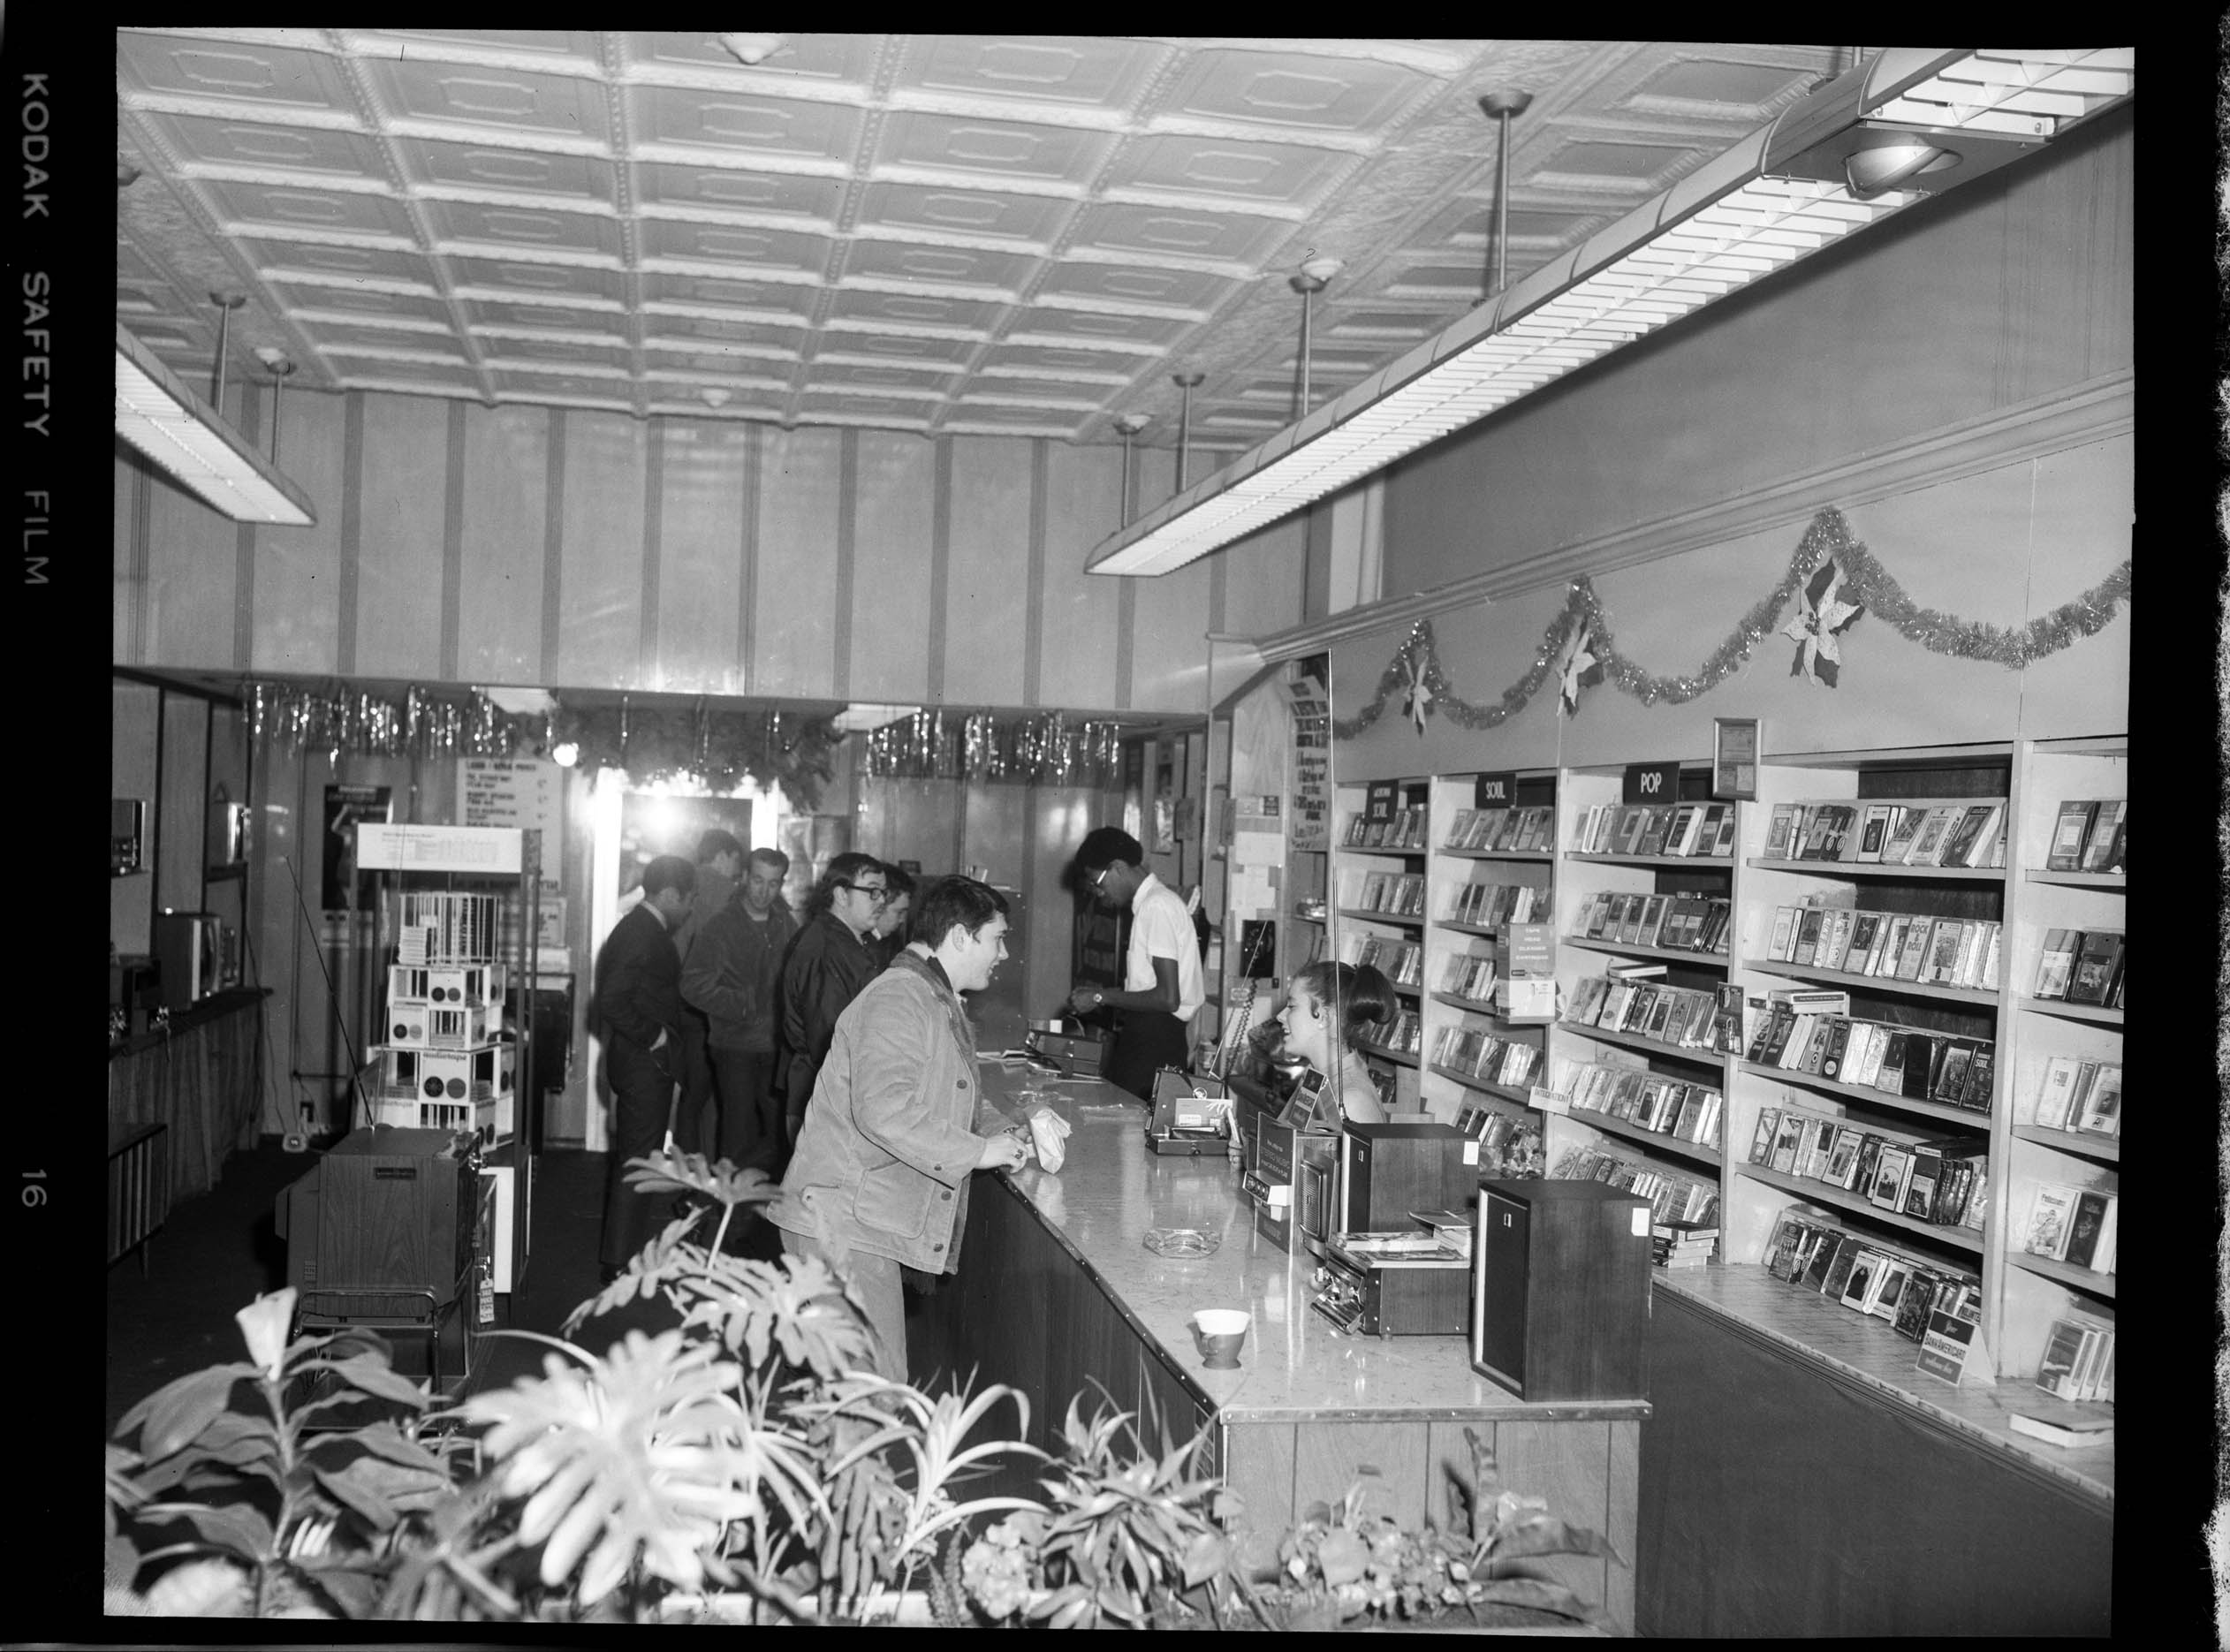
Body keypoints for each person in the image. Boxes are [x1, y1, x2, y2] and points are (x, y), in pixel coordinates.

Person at [771, 875, 1038, 1382]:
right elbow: (885, 1109)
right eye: (997, 938)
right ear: (960, 936)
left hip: (851, 1222)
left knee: (861, 1392)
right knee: (869, 1394)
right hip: (839, 1224)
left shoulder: (928, 994)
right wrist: (978, 1152)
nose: (1003, 954)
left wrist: (1011, 1130)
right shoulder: (900, 998)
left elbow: (945, 1094)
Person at [593, 854, 695, 1279]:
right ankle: (619, 1262)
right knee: (637, 1161)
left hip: (635, 1060)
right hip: (641, 1062)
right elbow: (612, 1000)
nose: (689, 908)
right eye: (688, 899)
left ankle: (625, 1254)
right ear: (670, 894)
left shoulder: (639, 926)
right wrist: (653, 1036)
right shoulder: (642, 932)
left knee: (639, 1157)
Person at [679, 846, 799, 1176]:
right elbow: (692, 985)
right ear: (745, 877)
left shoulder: (786, 924)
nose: (765, 891)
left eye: (774, 884)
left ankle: (758, 1214)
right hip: (735, 1046)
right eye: (758, 880)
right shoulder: (720, 926)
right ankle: (726, 1217)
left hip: (775, 1047)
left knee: (778, 1136)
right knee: (738, 1135)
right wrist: (743, 1005)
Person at [1065, 827, 1206, 1101]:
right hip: (1151, 1034)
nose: (1097, 892)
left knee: (1126, 1126)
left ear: (1117, 867)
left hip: (1155, 1038)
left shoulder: (1156, 906)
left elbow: (1167, 998)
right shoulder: (1153, 904)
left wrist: (1100, 996)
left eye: (1098, 882)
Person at [776, 852, 891, 1143]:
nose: (881, 901)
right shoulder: (827, 949)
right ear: (841, 894)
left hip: (829, 1092)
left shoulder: (845, 941)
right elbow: (829, 1038)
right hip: (826, 1097)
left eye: (884, 893)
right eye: (872, 891)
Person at [669, 829, 746, 1154]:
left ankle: (685, 1163)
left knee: (690, 1089)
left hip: (679, 1002)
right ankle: (703, 1168)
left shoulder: (685, 886)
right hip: (710, 1005)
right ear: (723, 855)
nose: (737, 871)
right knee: (710, 1092)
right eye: (736, 862)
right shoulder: (728, 892)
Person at [1269, 959, 1394, 1126]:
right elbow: (1290, 1145)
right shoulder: (1316, 1078)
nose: (1280, 1016)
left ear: (1325, 1018)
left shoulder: (1350, 1100)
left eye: (1292, 1006)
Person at [867, 865, 915, 968]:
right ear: (880, 905)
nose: (902, 920)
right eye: (899, 912)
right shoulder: (859, 946)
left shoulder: (893, 943)